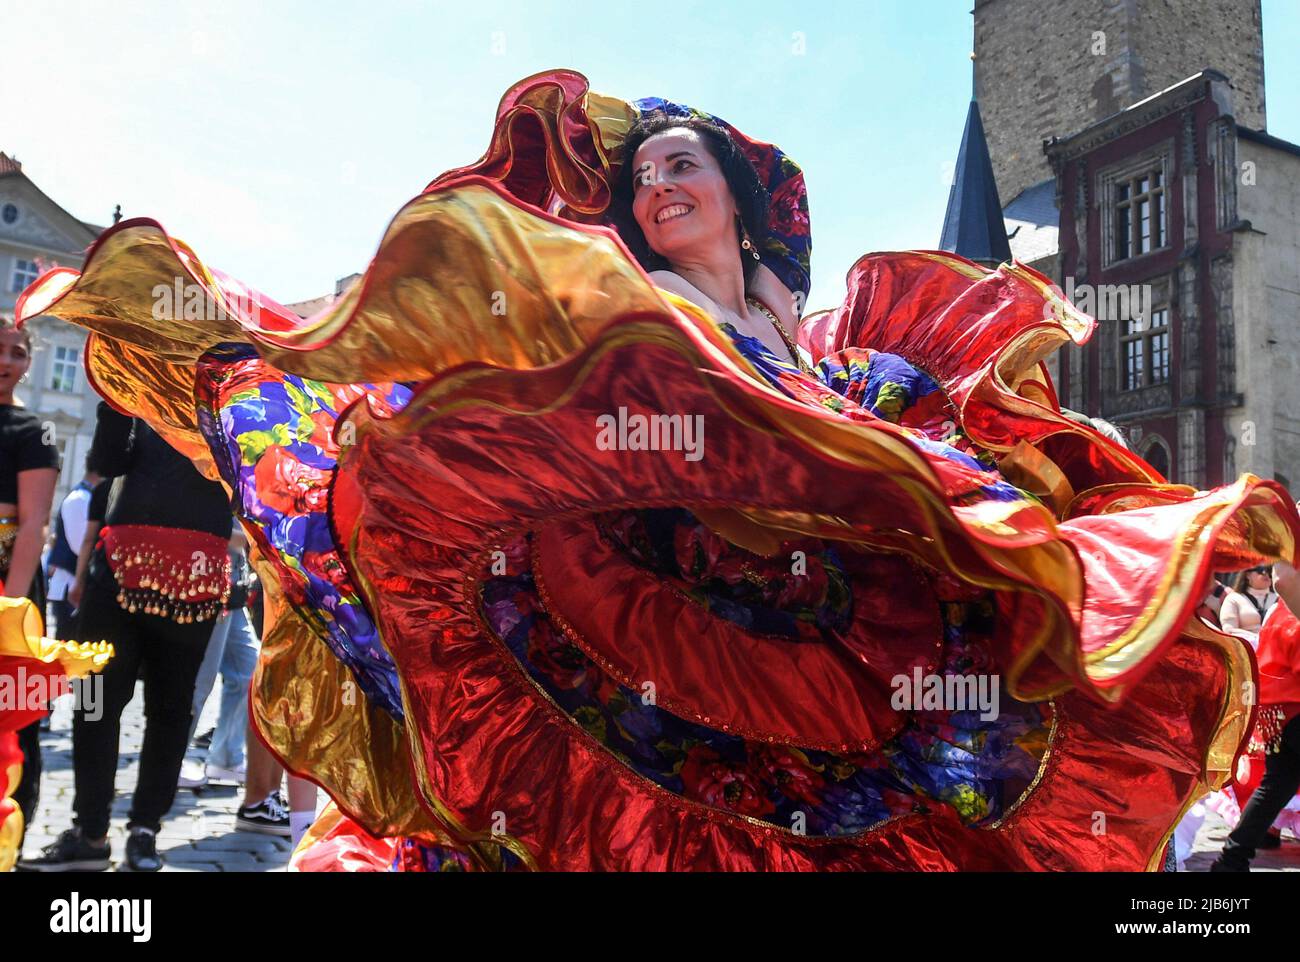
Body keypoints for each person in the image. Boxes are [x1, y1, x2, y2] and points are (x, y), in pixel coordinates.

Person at [17, 70, 1300, 872]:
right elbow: (453, 413)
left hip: (821, 672)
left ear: (743, 196)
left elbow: (948, 483)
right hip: (622, 654)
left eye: (683, 164)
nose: (660, 183)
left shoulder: (854, 366)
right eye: (641, 176)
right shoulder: (613, 327)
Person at [19, 402, 233, 872]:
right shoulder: (138, 390)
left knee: (171, 710)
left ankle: (145, 829)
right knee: (93, 700)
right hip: (116, 573)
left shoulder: (236, 397)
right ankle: (91, 831)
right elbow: (106, 465)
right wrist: (114, 397)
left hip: (193, 581)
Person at [0, 318, 60, 857]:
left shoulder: (32, 432)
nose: (5, 362)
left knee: (15, 714)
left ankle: (8, 849)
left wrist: (11, 607)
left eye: (18, 353)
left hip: (9, 586)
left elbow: (34, 523)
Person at [1212, 559, 1300, 870]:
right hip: (1293, 703)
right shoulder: (1290, 608)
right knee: (1276, 784)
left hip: (1277, 708)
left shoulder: (1279, 611)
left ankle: (1231, 860)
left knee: (1276, 785)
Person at [179, 534, 259, 787]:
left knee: (248, 670)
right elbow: (208, 523)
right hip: (209, 583)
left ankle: (225, 757)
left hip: (233, 587)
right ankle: (170, 760)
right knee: (200, 680)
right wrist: (255, 536)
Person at [45, 458, 102, 640]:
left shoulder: (86, 497)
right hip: (69, 588)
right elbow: (81, 545)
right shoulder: (81, 498)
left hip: (73, 588)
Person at [1220, 565, 1277, 646]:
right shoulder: (1233, 598)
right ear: (1247, 575)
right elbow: (1229, 630)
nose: (1266, 574)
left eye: (1269, 571)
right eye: (1261, 570)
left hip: (1276, 647)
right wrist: (1256, 639)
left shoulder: (1281, 599)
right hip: (1247, 647)